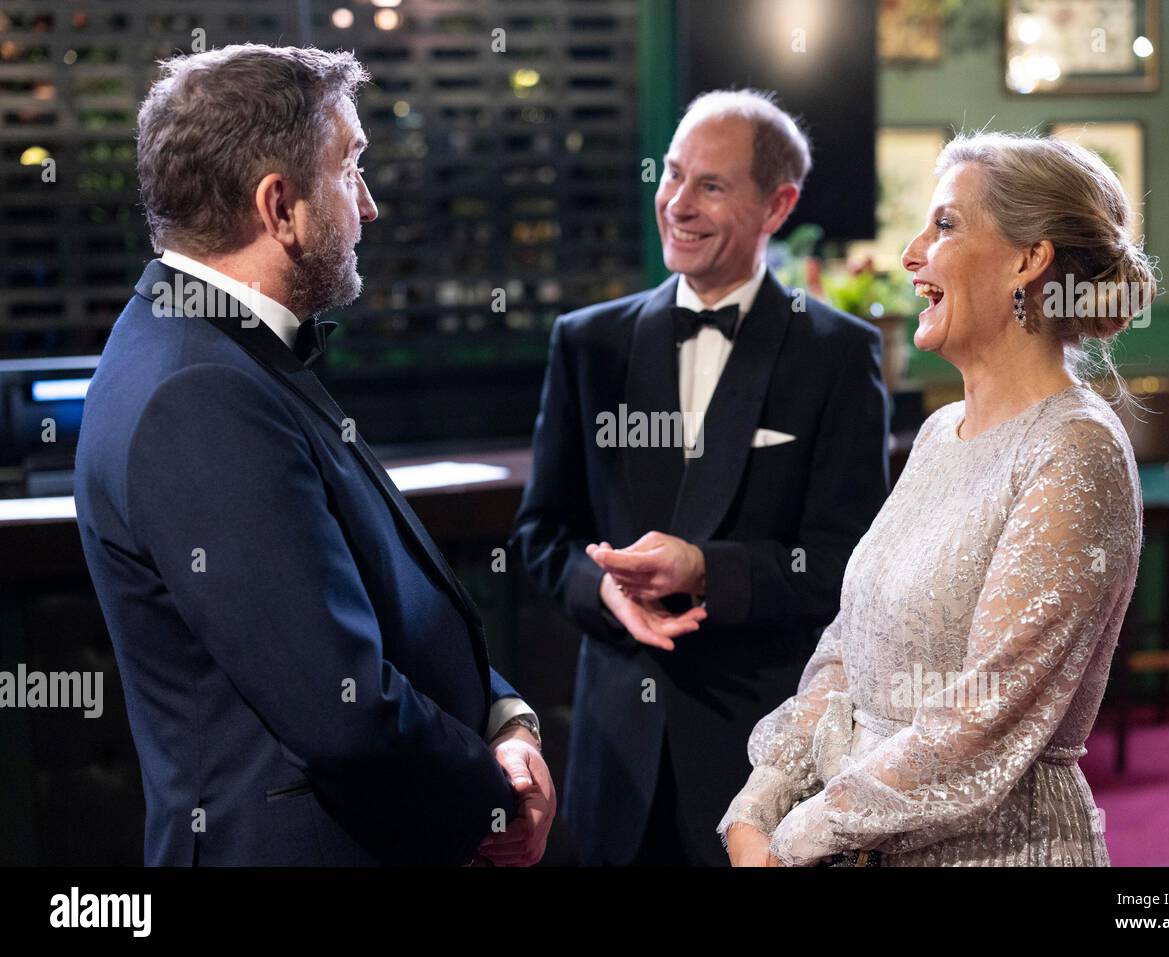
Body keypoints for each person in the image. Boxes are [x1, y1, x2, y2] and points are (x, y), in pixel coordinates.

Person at [74, 44, 554, 866]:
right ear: (280, 206)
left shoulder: (216, 350)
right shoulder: (198, 389)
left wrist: (504, 716)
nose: (368, 206)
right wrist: (492, 798)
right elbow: (342, 713)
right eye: (351, 167)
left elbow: (384, 614)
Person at [720, 131, 1150, 866]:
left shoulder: (1076, 450)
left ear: (1028, 260)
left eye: (945, 225)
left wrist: (796, 840)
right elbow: (848, 649)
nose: (911, 253)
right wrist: (759, 801)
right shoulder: (938, 431)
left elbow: (982, 719)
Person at [511, 89, 890, 866]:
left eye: (710, 186)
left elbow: (849, 571)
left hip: (761, 754)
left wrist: (707, 570)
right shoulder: (588, 344)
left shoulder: (836, 355)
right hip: (614, 757)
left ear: (777, 204)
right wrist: (605, 590)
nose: (678, 204)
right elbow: (541, 535)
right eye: (673, 175)